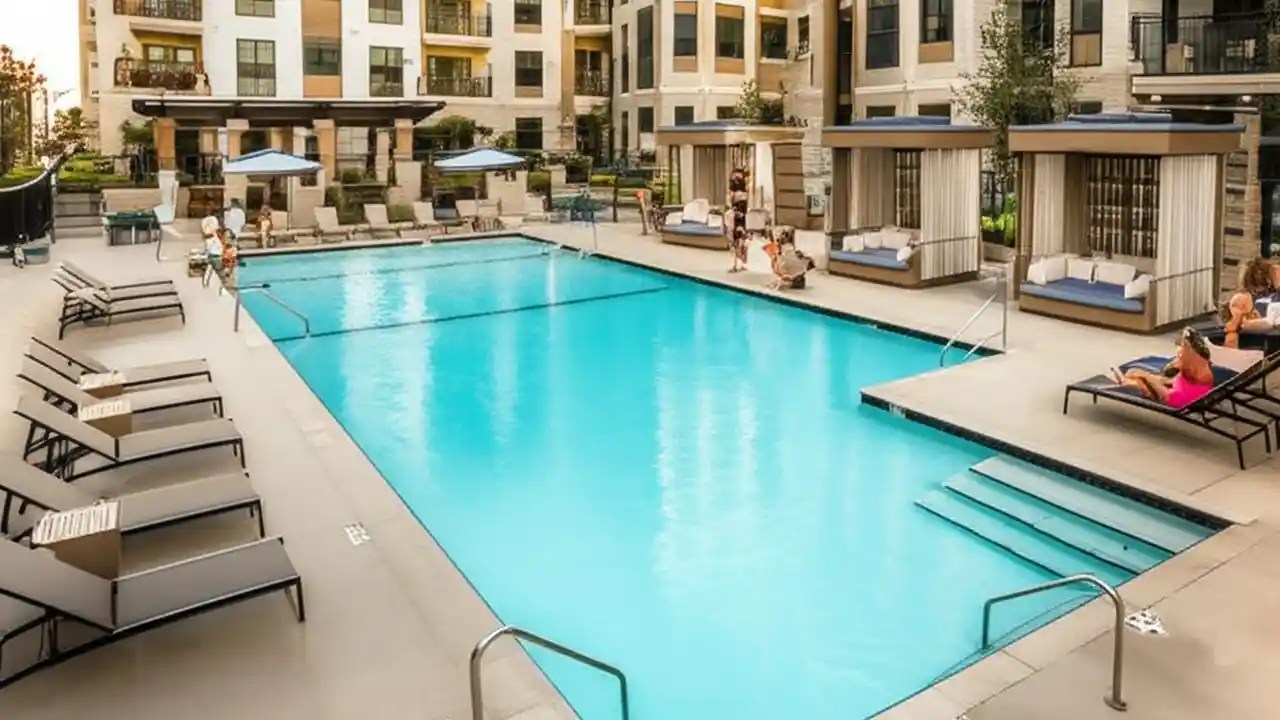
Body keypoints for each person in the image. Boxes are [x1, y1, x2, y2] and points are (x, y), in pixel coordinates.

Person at [1108, 327, 1215, 408]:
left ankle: (1126, 381)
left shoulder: (1191, 366)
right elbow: (1173, 379)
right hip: (1180, 390)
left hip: (1174, 397)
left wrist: (1147, 376)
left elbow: (1170, 372)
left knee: (1142, 378)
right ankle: (1129, 382)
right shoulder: (1196, 363)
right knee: (1139, 376)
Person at [727, 168, 749, 273]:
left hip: (737, 219)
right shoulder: (743, 194)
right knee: (741, 240)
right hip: (741, 219)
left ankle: (737, 264)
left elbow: (735, 208)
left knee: (736, 240)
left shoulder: (736, 194)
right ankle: (742, 263)